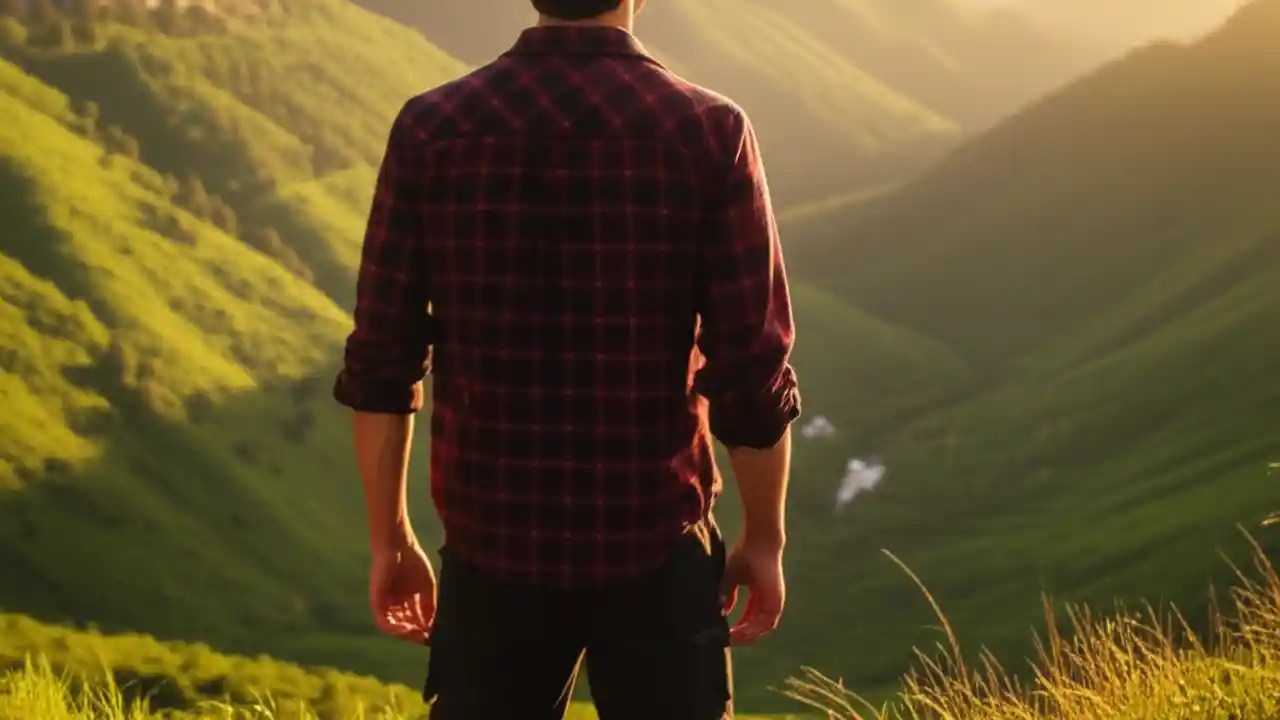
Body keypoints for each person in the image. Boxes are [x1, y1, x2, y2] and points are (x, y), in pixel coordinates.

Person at [333, 0, 801, 717]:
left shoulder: (431, 128)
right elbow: (750, 367)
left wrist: (389, 537)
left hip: (490, 546)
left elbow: (381, 357)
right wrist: (764, 537)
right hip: (656, 543)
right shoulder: (709, 130)